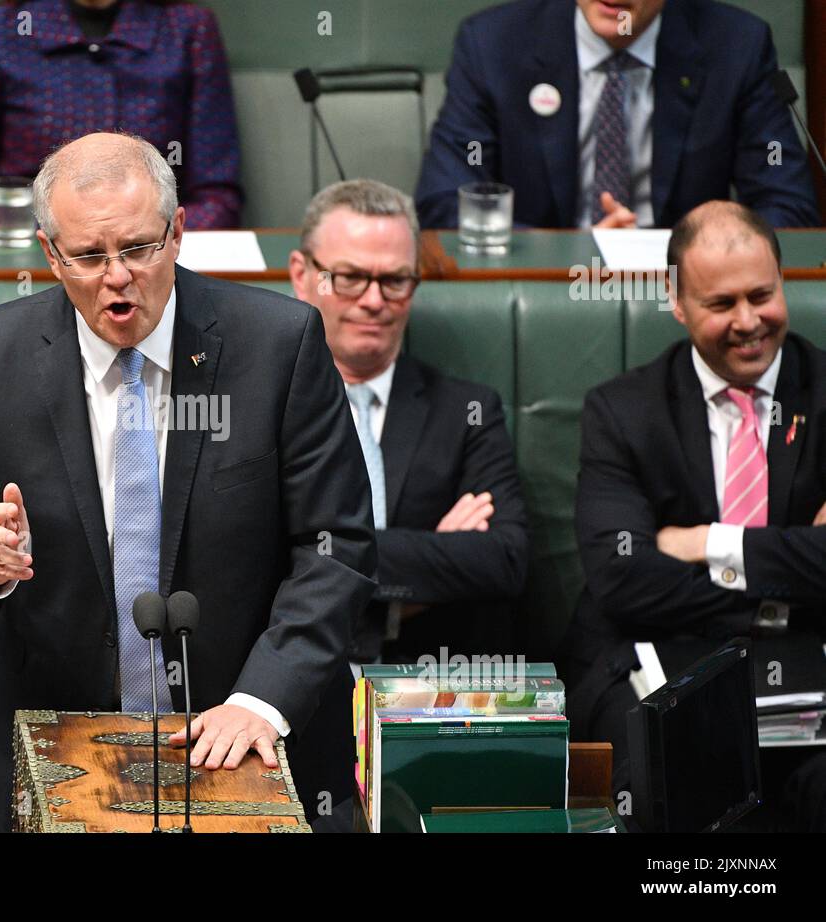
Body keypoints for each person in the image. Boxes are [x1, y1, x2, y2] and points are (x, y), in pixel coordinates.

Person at [0, 132, 376, 831]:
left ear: (178, 231)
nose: (117, 277)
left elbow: (335, 547)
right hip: (64, 752)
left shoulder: (278, 346)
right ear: (50, 255)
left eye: (137, 249)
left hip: (246, 736)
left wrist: (261, 700)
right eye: (90, 257)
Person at [565, 200, 826, 828]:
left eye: (762, 295)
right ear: (677, 303)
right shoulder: (621, 411)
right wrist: (789, 590)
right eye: (720, 304)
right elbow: (623, 578)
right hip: (652, 660)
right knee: (664, 783)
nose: (748, 321)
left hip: (811, 665)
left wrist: (708, 542)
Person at [289, 179, 529, 666]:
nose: (374, 301)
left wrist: (319, 560)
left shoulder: (468, 412)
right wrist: (432, 558)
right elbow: (245, 561)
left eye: (395, 281)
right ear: (302, 273)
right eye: (351, 277)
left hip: (428, 682)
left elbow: (503, 560)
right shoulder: (263, 403)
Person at [414, 0, 820, 230]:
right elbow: (447, 200)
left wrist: (689, 255)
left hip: (684, 294)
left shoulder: (737, 47)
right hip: (542, 288)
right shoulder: (493, 46)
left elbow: (786, 204)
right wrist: (572, 252)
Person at [0, 0, 243, 234]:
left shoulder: (188, 29)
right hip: (31, 260)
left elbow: (218, 198)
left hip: (151, 260)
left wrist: (150, 245)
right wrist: (38, 246)